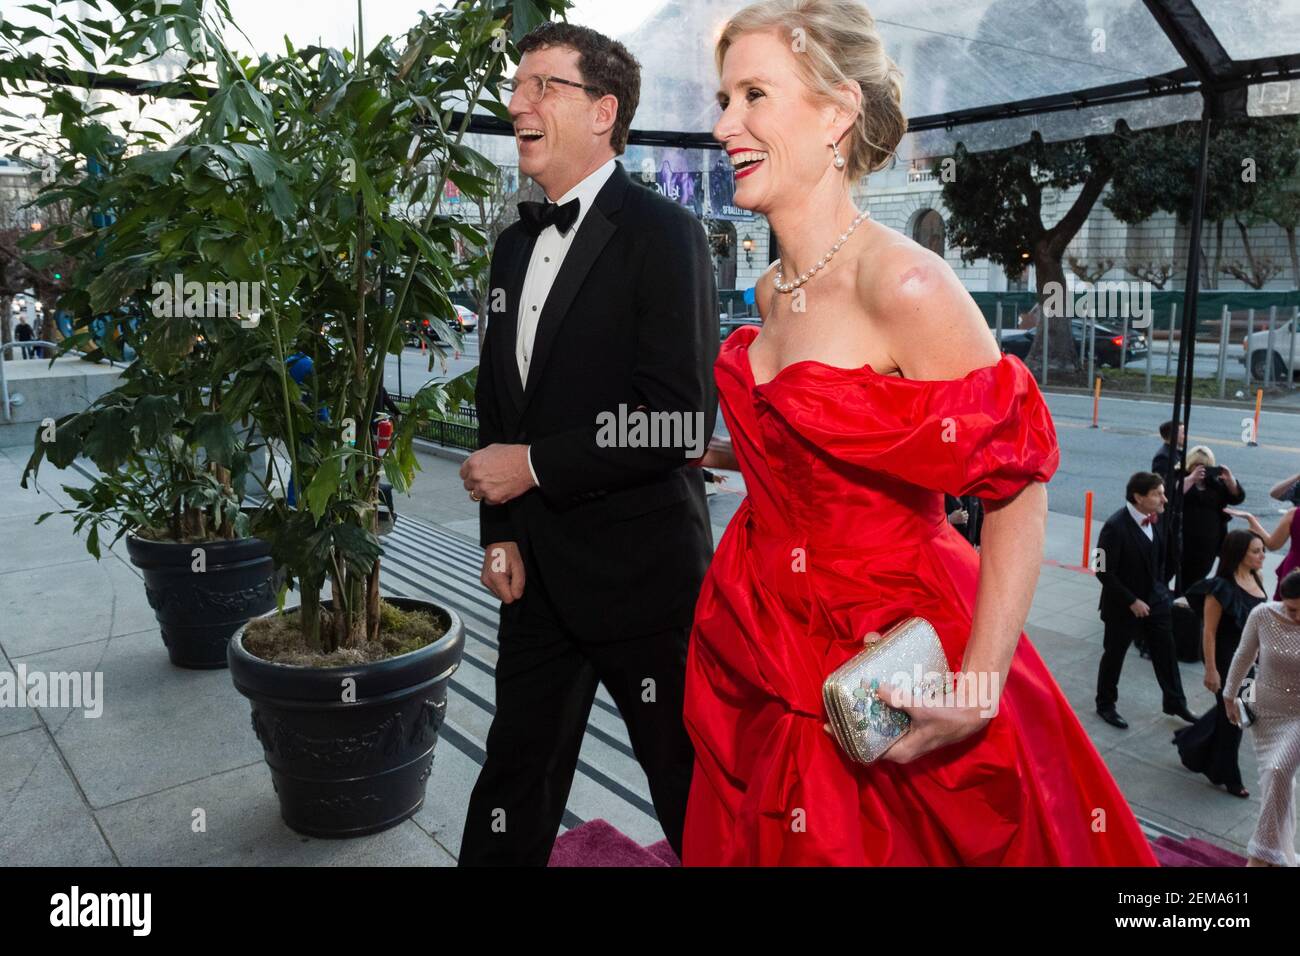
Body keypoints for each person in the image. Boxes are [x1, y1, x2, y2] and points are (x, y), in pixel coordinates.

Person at [683, 0, 1156, 865]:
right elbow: (808, 451)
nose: (722, 126)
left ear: (836, 110)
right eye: (723, 98)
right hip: (757, 628)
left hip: (891, 644)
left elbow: (1016, 488)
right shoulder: (771, 292)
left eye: (753, 95)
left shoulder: (905, 285)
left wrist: (977, 685)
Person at [458, 22, 717, 866]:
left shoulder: (664, 234)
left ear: (604, 111)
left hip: (644, 582)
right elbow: (498, 405)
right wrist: (499, 537)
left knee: (692, 794)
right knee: (511, 784)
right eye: (517, 84)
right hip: (534, 577)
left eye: (542, 85)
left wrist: (531, 467)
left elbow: (678, 419)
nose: (517, 103)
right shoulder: (509, 246)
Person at [1094, 472, 1196, 729]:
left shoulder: (1158, 520)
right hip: (1122, 608)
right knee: (1114, 656)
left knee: (1166, 653)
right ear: (1139, 497)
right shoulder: (1114, 527)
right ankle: (1106, 704)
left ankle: (1176, 702)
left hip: (1157, 601)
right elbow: (1101, 569)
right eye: (1158, 494)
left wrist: (1161, 589)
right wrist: (1132, 601)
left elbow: (1167, 557)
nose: (1164, 498)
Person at [1174, 530, 1267, 798]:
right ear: (1239, 553)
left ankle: (1191, 744)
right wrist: (1211, 669)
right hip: (1225, 657)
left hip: (1248, 656)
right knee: (1234, 717)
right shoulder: (1218, 588)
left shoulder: (1255, 577)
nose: (1262, 556)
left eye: (1262, 550)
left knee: (1241, 712)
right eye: (1256, 551)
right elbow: (1209, 633)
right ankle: (1229, 776)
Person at [1224, 570, 1300, 866]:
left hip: (1298, 716)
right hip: (1263, 709)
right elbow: (1244, 656)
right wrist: (1231, 696)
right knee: (1275, 779)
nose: (1297, 618)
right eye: (1293, 610)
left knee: (1280, 770)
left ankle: (1259, 855)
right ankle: (1281, 852)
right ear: (1282, 599)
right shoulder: (1263, 615)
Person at [1178, 445, 1245, 589]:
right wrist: (1191, 479)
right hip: (1183, 537)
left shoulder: (1215, 482)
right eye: (1196, 465)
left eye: (1205, 466)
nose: (1201, 469)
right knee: (1182, 574)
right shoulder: (1180, 477)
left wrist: (1230, 481)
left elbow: (1237, 498)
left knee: (1200, 574)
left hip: (1209, 541)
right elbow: (1172, 495)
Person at [1227, 506, 1300, 600]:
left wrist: (1251, 519)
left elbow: (1272, 544)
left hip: (1293, 568)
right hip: (1293, 570)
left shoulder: (1294, 514)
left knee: (1284, 609)